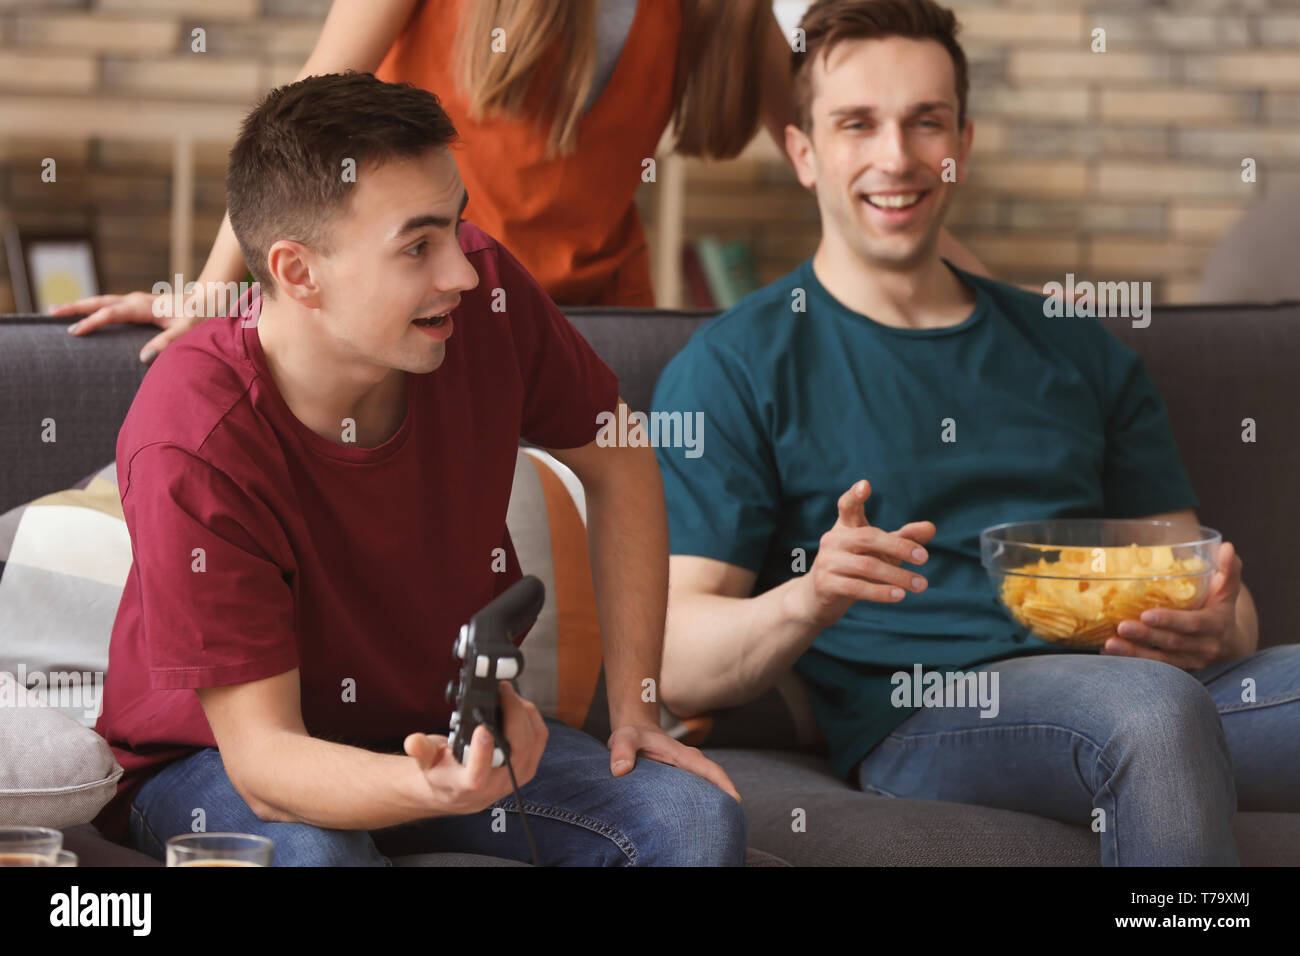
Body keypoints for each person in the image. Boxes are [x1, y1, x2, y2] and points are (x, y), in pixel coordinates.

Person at [651, 0, 1299, 866]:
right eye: (858, 124)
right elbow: (676, 654)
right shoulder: (737, 365)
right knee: (1150, 711)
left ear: (964, 140)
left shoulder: (1074, 347)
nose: (897, 156)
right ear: (804, 152)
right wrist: (810, 596)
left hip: (1144, 689)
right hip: (932, 715)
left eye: (926, 122)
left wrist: (1221, 628)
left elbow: (1205, 578)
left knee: (1154, 706)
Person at [93, 71, 747, 866]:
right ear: (299, 273)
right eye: (418, 246)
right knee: (313, 859)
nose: (463, 272)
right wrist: (428, 791)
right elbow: (264, 765)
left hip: (444, 733)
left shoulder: (486, 298)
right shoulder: (192, 437)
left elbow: (619, 455)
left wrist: (636, 703)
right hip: (212, 762)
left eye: (456, 227)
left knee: (693, 822)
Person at [54, 0, 993, 362]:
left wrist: (980, 294)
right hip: (432, 308)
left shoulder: (718, 6)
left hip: (599, 327)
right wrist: (212, 294)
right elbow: (304, 109)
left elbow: (861, 163)